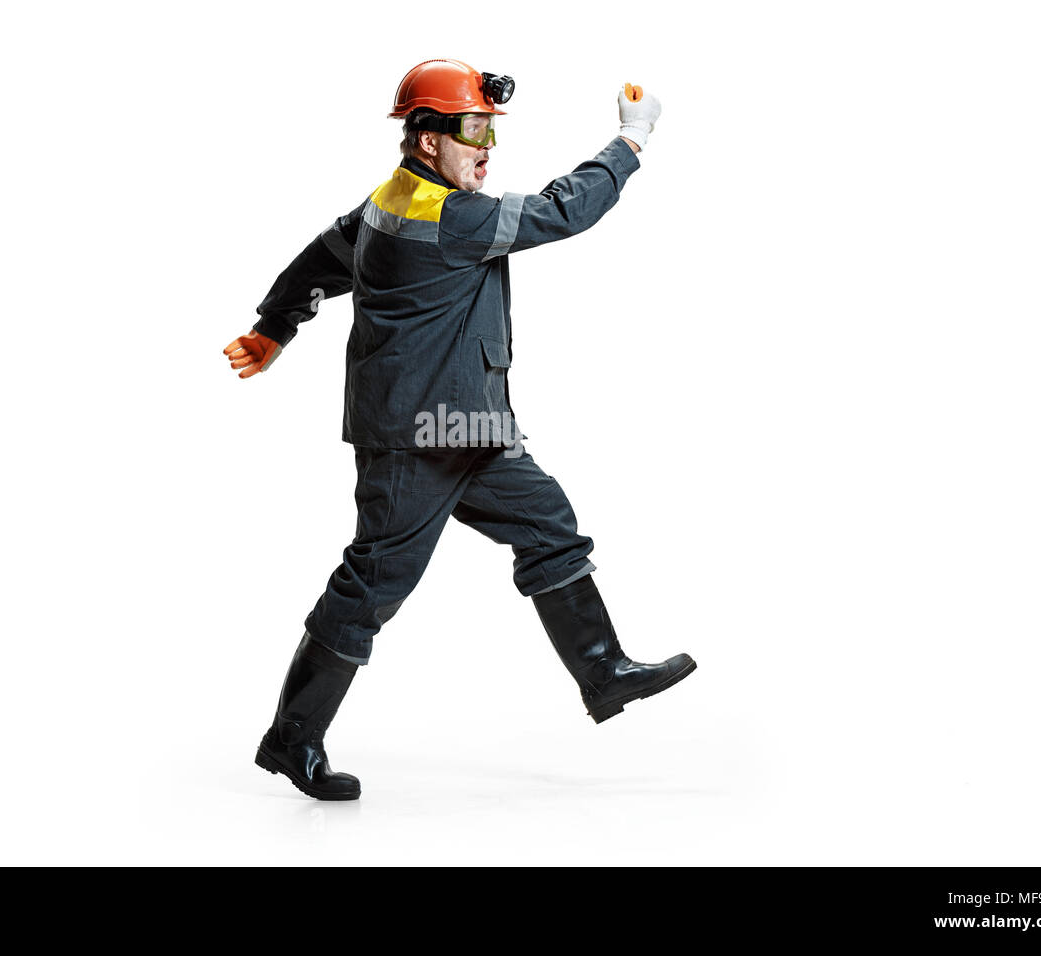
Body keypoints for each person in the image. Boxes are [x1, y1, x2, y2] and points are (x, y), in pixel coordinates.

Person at [225, 59, 696, 801]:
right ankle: (291, 739)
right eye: (472, 129)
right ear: (425, 140)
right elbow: (562, 209)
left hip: (466, 426)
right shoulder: (455, 220)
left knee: (548, 525)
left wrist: (275, 327)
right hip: (418, 438)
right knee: (373, 583)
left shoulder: (393, 201)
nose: (486, 147)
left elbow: (326, 253)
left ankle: (603, 671)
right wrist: (630, 142)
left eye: (490, 131)